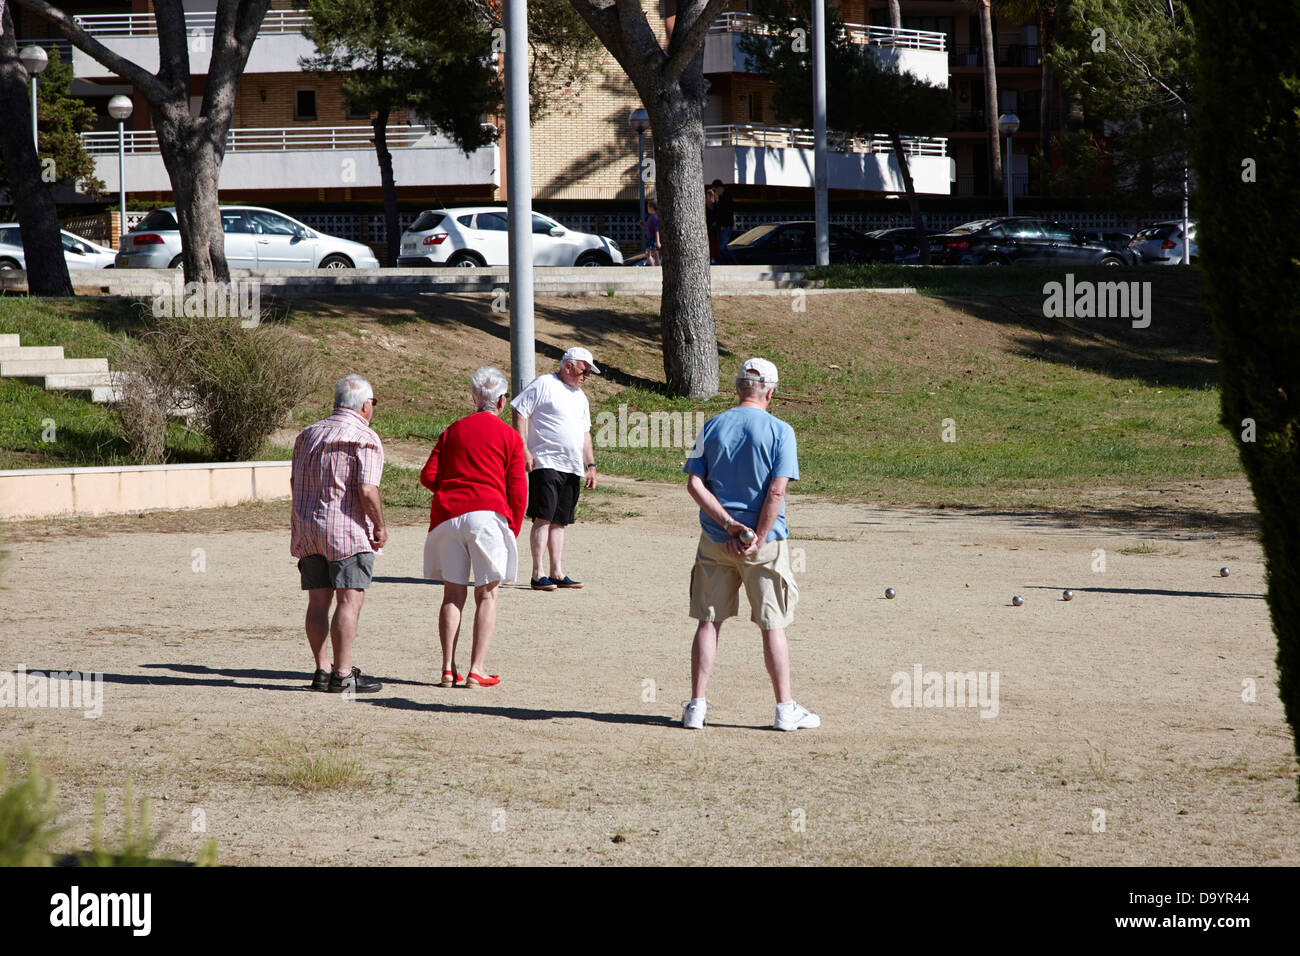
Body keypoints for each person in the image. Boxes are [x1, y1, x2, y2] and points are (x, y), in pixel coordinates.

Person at [681, 358, 818, 731]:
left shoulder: (711, 426)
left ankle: (696, 706)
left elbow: (695, 484)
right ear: (770, 392)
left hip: (714, 538)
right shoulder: (781, 430)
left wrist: (727, 524)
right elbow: (776, 490)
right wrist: (756, 535)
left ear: (738, 388)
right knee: (773, 625)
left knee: (709, 622)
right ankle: (784, 709)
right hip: (766, 542)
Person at [420, 367, 527, 689]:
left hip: (448, 517)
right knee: (487, 594)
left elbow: (428, 476)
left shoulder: (453, 429)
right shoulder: (510, 436)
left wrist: (451, 489)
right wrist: (514, 527)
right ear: (502, 401)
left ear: (474, 397)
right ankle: (476, 669)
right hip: (487, 516)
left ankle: (447, 669)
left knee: (452, 594)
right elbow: (518, 489)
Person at [290, 374, 387, 694]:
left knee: (318, 601)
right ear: (364, 405)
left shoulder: (307, 434)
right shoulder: (365, 437)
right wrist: (380, 525)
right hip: (346, 530)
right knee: (350, 599)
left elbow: (294, 483)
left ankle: (321, 669)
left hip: (308, 528)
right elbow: (367, 489)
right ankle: (344, 673)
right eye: (373, 403)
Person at [510, 347, 599, 591]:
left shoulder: (580, 397)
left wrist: (590, 465)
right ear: (569, 365)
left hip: (572, 466)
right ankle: (538, 574)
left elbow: (585, 434)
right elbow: (519, 411)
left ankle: (557, 572)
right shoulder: (544, 384)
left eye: (589, 373)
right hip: (546, 462)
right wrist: (524, 450)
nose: (587, 377)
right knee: (544, 517)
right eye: (585, 370)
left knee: (560, 521)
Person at [711, 179, 736, 264]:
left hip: (725, 225)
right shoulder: (719, 198)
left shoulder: (727, 197)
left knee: (723, 247)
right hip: (720, 225)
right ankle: (724, 263)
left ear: (719, 188)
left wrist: (723, 224)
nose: (714, 192)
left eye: (715, 190)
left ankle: (734, 261)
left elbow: (727, 213)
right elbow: (717, 211)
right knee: (720, 247)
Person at [705, 187, 721, 263]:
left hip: (714, 229)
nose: (708, 199)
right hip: (707, 228)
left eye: (710, 197)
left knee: (714, 245)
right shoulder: (705, 206)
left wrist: (715, 222)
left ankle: (715, 259)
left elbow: (718, 216)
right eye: (707, 197)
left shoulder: (716, 205)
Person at [643, 200, 661, 266]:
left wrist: (658, 241)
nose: (647, 208)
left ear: (651, 207)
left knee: (652, 253)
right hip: (650, 238)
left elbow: (657, 229)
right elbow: (649, 228)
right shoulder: (651, 217)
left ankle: (656, 267)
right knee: (653, 254)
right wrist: (643, 225)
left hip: (653, 239)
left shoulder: (655, 217)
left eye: (648, 207)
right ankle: (655, 266)